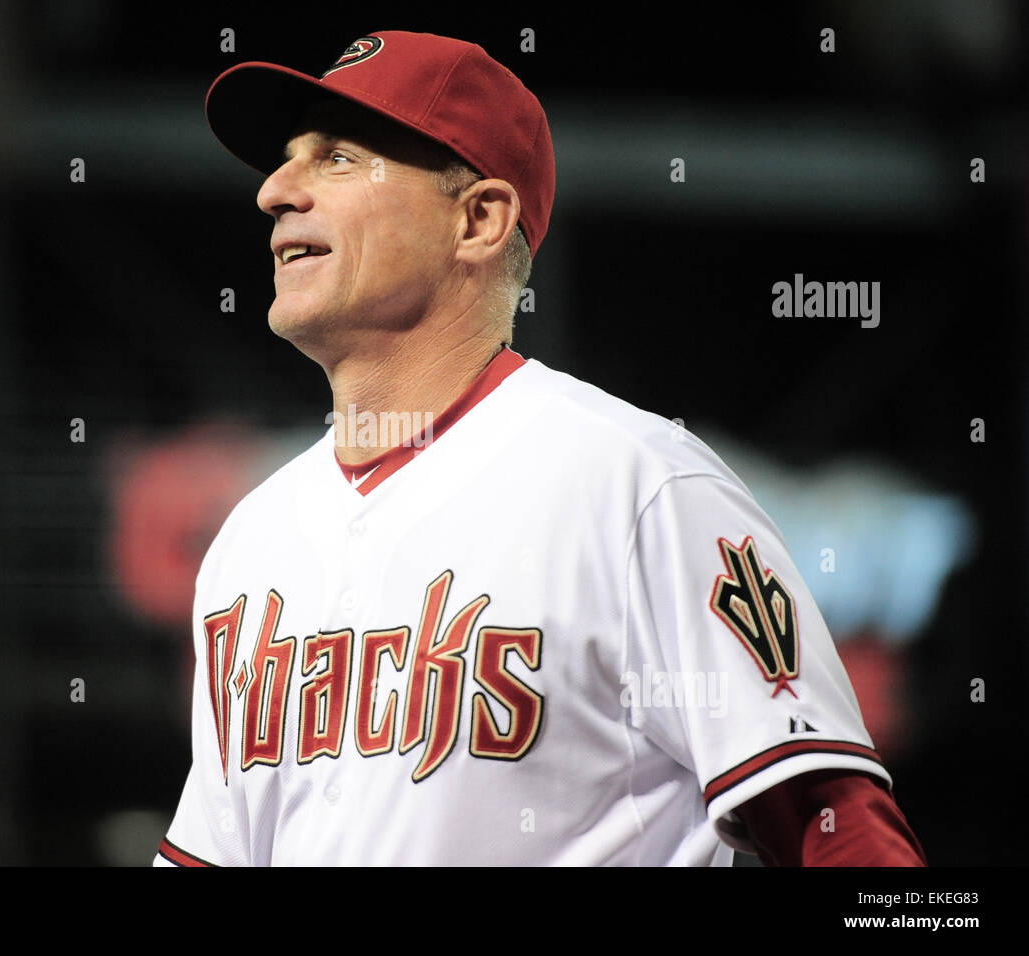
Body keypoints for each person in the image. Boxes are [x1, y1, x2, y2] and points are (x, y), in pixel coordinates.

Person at [155, 30, 926, 866]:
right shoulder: (248, 541)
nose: (274, 190)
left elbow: (837, 829)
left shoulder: (636, 485)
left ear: (479, 219)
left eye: (338, 159)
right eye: (286, 159)